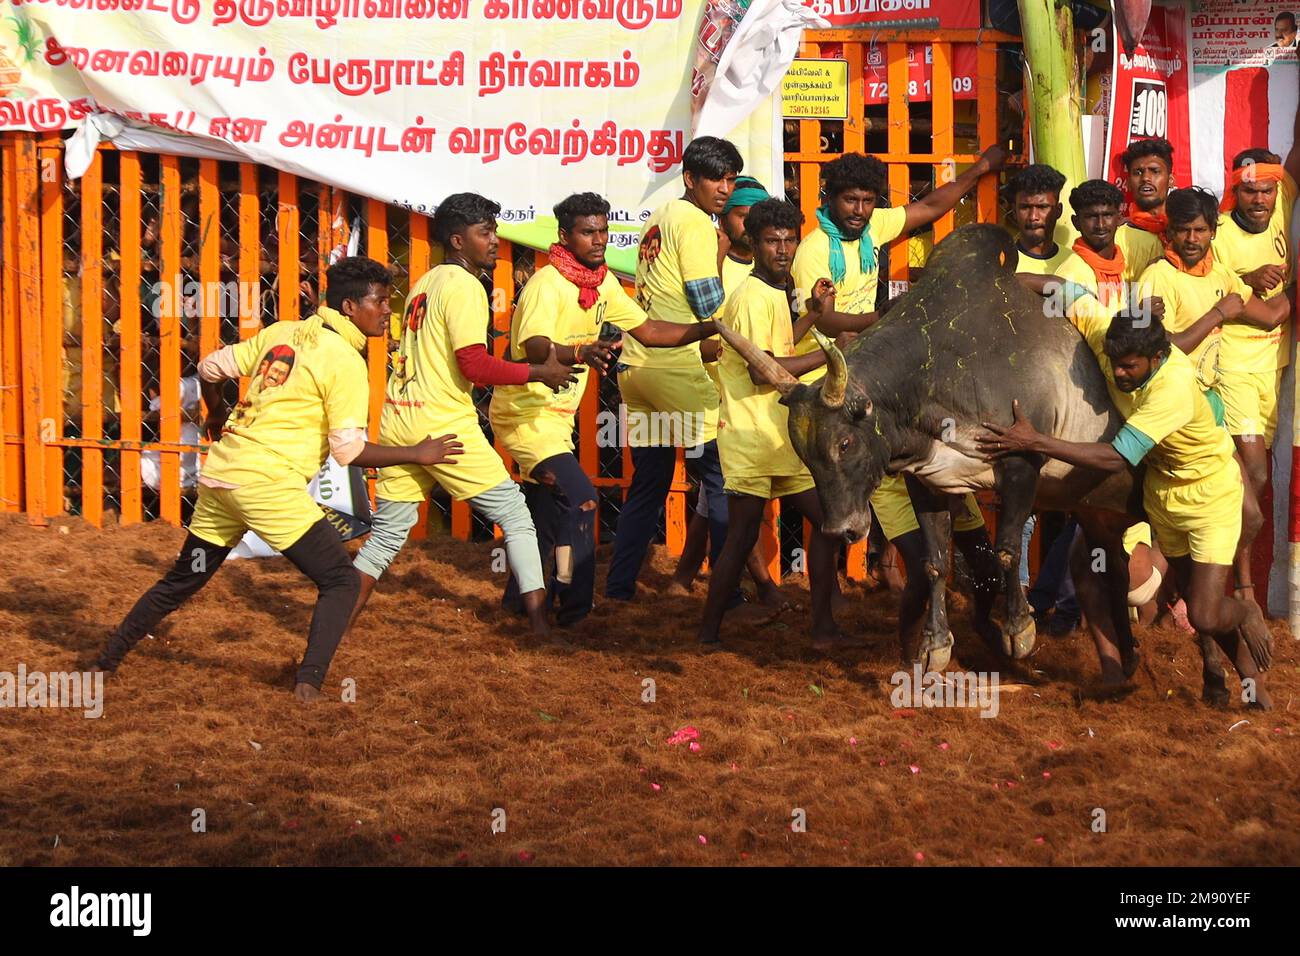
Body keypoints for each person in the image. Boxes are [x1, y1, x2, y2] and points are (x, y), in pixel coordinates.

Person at [93, 257, 461, 702]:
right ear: (349, 306)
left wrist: (216, 416)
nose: (388, 311)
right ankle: (308, 688)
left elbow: (210, 368)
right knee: (341, 581)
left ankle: (106, 660)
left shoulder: (283, 331)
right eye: (380, 302)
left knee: (183, 579)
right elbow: (349, 452)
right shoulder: (345, 360)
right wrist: (416, 453)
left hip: (222, 477)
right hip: (266, 485)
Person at [981, 306, 1273, 707]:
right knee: (1192, 594)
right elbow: (1068, 292)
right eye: (1114, 364)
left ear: (1157, 358)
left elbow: (1117, 457)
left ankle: (1243, 612)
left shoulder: (1173, 388)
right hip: (1164, 498)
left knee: (1205, 614)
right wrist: (1007, 272)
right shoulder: (1112, 340)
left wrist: (1035, 442)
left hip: (1210, 497)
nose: (1118, 374)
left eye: (1129, 367)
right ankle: (1254, 692)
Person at [791, 148, 1008, 648]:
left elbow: (929, 209)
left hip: (888, 390)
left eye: (868, 200)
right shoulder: (814, 251)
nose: (860, 209)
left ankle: (971, 628)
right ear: (830, 199)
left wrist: (977, 171)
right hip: (841, 398)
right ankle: (907, 644)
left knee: (959, 529)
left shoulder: (871, 232)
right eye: (850, 200)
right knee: (909, 547)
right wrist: (884, 322)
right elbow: (819, 320)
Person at [489, 192, 722, 625]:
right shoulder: (547, 284)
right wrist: (579, 352)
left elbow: (650, 331)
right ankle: (575, 610)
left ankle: (520, 603)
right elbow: (536, 347)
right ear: (564, 235)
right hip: (525, 415)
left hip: (555, 418)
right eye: (588, 232)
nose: (599, 240)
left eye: (603, 230)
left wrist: (712, 326)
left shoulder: (602, 282)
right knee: (582, 501)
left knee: (545, 516)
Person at [349, 193, 576, 637]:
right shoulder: (466, 286)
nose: (494, 241)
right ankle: (539, 627)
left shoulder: (424, 282)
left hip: (401, 420)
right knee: (515, 516)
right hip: (444, 426)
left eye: (494, 230)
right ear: (458, 240)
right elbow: (473, 364)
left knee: (386, 538)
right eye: (484, 233)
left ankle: (337, 625)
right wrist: (539, 371)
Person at [698, 199, 849, 648]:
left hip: (780, 436)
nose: (782, 249)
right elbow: (761, 370)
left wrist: (815, 315)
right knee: (743, 536)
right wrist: (831, 352)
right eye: (771, 241)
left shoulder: (774, 290)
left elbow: (776, 345)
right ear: (755, 242)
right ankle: (708, 634)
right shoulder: (749, 296)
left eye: (788, 240)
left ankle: (822, 627)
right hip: (751, 436)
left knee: (827, 522)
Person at [605, 136, 742, 602]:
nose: (724, 188)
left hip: (636, 366)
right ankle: (727, 595)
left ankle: (620, 586)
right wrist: (721, 257)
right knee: (721, 477)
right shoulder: (696, 225)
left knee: (649, 483)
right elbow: (708, 305)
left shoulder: (659, 218)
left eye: (730, 178)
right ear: (690, 180)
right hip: (673, 364)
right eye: (715, 179)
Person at [1138, 186, 1289, 604]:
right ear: (1169, 233)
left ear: (1212, 231)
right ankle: (1212, 597)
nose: (1192, 239)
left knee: (1249, 514)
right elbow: (1159, 349)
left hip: (1212, 409)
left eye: (1200, 230)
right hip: (1175, 415)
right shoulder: (1156, 278)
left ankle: (1215, 594)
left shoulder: (1220, 275)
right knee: (1239, 511)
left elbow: (1271, 315)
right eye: (1183, 231)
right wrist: (1218, 314)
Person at [669, 175, 784, 604]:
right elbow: (707, 323)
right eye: (741, 216)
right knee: (725, 495)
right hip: (713, 394)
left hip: (749, 401)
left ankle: (682, 578)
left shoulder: (769, 268)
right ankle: (759, 587)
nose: (749, 225)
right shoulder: (715, 258)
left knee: (715, 495)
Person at [1213, 138, 1300, 611]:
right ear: (1235, 191)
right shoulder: (1218, 234)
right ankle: (1237, 586)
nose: (1260, 199)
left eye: (1266, 190)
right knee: (1253, 477)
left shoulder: (1283, 197)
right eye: (1250, 192)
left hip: (1277, 372)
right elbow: (1258, 315)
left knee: (1252, 478)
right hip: (1236, 369)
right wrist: (1262, 286)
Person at [1117, 137, 1176, 274]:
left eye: (1155, 171)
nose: (1145, 178)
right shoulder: (1117, 238)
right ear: (1129, 183)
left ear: (1171, 180)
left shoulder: (1190, 231)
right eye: (1137, 172)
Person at [1006, 163, 1072, 277]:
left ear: (1058, 211)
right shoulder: (999, 264)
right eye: (1025, 207)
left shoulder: (1074, 266)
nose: (1033, 217)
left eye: (1042, 207)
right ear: (1014, 212)